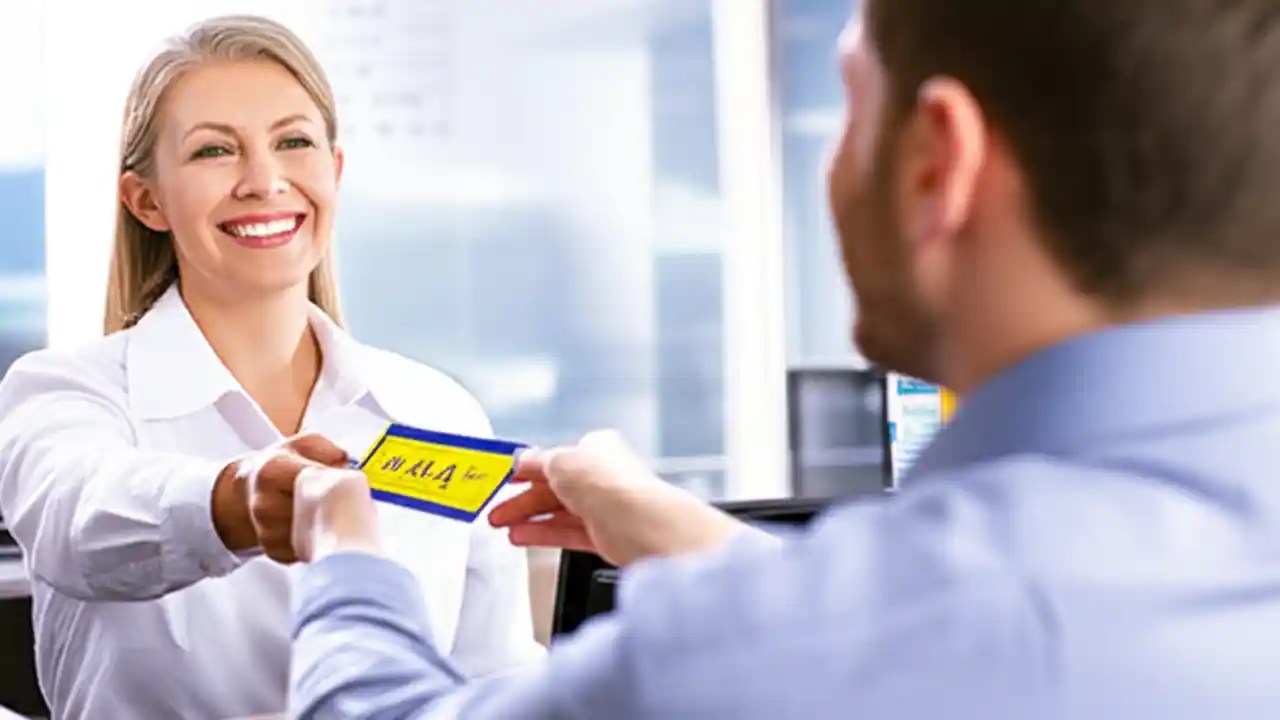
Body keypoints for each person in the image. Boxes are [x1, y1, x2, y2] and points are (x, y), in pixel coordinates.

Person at [288, 0, 1280, 717]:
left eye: (850, 106)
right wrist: (693, 536)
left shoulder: (762, 653)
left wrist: (341, 547)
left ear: (937, 166)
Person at [0, 14, 542, 720]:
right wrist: (237, 502)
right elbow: (78, 523)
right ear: (147, 200)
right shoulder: (67, 392)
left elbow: (495, 676)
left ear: (334, 172)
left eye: (293, 142)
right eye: (214, 152)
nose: (264, 180)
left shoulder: (437, 411)